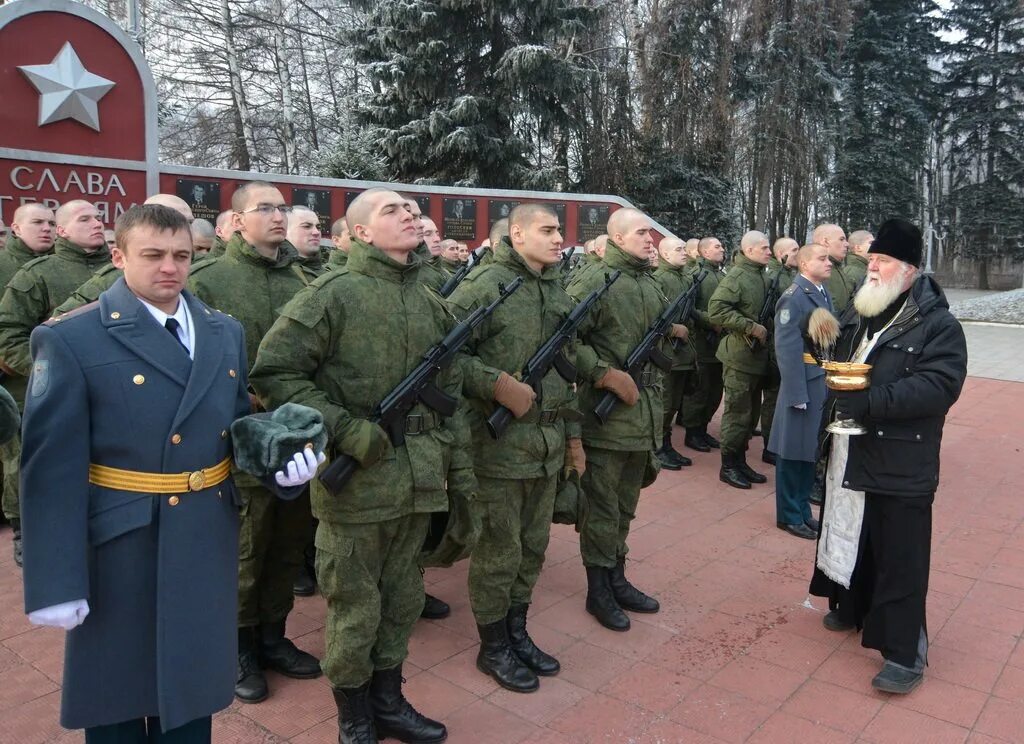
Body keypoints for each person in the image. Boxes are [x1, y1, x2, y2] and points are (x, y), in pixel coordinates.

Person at [19, 204, 322, 743]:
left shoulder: (221, 331)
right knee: (114, 692)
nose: (170, 268)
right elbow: (50, 469)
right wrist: (55, 579)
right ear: (119, 256)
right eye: (153, 255)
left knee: (190, 686)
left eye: (181, 255)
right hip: (118, 540)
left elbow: (231, 430)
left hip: (204, 530)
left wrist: (281, 469)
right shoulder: (73, 337)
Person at [249, 188, 473, 744]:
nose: (410, 215)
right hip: (357, 484)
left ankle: (389, 700)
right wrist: (346, 430)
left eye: (413, 209)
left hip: (418, 476)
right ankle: (353, 716)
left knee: (402, 600)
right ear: (362, 233)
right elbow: (274, 373)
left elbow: (452, 388)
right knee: (354, 607)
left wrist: (453, 461)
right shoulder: (332, 293)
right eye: (391, 210)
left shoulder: (430, 294)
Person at [810, 218, 967, 694]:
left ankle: (904, 652)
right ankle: (853, 605)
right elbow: (844, 363)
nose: (871, 268)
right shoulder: (865, 312)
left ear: (910, 269)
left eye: (882, 261)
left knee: (901, 554)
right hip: (854, 446)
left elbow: (939, 386)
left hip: (902, 457)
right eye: (870, 260)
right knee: (858, 532)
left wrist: (872, 402)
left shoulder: (938, 324)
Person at [188, 181, 318, 704]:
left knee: (288, 542)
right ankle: (238, 648)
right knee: (244, 550)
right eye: (263, 208)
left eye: (281, 207)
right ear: (236, 221)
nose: (277, 216)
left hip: (294, 439)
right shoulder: (208, 280)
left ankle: (273, 636)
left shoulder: (308, 279)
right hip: (233, 442)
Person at [447, 203, 581, 692]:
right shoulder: (482, 287)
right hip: (498, 447)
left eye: (559, 231)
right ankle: (493, 645)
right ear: (517, 233)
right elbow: (443, 357)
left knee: (533, 547)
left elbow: (565, 372)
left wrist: (572, 437)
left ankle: (517, 630)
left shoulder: (555, 289)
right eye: (547, 230)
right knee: (498, 551)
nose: (558, 238)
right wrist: (494, 383)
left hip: (544, 444)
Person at [568, 208, 685, 632]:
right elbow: (565, 341)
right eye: (641, 233)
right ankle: (598, 589)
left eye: (651, 234)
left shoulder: (649, 281)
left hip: (644, 416)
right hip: (607, 419)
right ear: (616, 238)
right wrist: (602, 372)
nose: (649, 240)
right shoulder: (594, 281)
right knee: (601, 507)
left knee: (626, 505)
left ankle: (617, 575)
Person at [0, 200, 110, 565]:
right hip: (38, 393)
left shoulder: (123, 268)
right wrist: (49, 372)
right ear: (64, 230)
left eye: (98, 217)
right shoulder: (38, 274)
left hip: (107, 392)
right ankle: (24, 530)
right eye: (84, 219)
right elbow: (10, 335)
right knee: (28, 465)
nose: (96, 223)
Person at [0, 204, 56, 560]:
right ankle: (21, 529)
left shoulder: (54, 267)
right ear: (16, 228)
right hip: (14, 381)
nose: (46, 229)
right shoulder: (5, 266)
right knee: (17, 459)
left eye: (52, 223)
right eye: (37, 223)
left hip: (49, 379)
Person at [768, 243, 834, 539]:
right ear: (805, 265)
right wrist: (796, 394)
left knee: (808, 451)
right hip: (802, 386)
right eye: (822, 258)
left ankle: (804, 511)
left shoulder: (820, 292)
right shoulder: (793, 298)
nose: (829, 262)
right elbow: (786, 349)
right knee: (792, 453)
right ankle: (789, 515)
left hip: (818, 382)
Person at [53, 195, 196, 317]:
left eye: (189, 222)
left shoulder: (202, 268)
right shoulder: (111, 279)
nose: (169, 268)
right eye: (153, 256)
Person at [708, 230, 774, 489]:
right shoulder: (737, 276)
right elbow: (716, 310)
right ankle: (728, 465)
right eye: (765, 248)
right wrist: (749, 326)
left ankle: (741, 460)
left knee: (751, 413)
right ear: (749, 251)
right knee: (737, 412)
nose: (770, 252)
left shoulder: (762, 276)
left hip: (758, 357)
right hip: (739, 356)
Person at [679, 237, 726, 452]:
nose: (722, 249)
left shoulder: (721, 275)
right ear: (705, 252)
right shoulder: (696, 275)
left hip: (720, 344)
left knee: (715, 391)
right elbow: (689, 307)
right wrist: (710, 321)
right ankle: (692, 432)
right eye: (717, 246)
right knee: (700, 390)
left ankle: (703, 429)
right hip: (701, 342)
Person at [652, 237, 695, 470]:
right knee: (665, 403)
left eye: (684, 249)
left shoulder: (684, 278)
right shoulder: (660, 278)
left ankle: (666, 443)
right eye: (678, 250)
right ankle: (657, 447)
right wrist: (673, 329)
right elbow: (653, 317)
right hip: (666, 351)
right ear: (665, 255)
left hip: (682, 353)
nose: (684, 253)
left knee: (675, 402)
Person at [814, 223, 855, 315]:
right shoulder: (816, 271)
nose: (847, 244)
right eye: (841, 239)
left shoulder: (837, 269)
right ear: (825, 242)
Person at [288, 206, 326, 276]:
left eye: (318, 227)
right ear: (285, 231)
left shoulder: (331, 276)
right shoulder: (272, 274)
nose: (316, 232)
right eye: (306, 226)